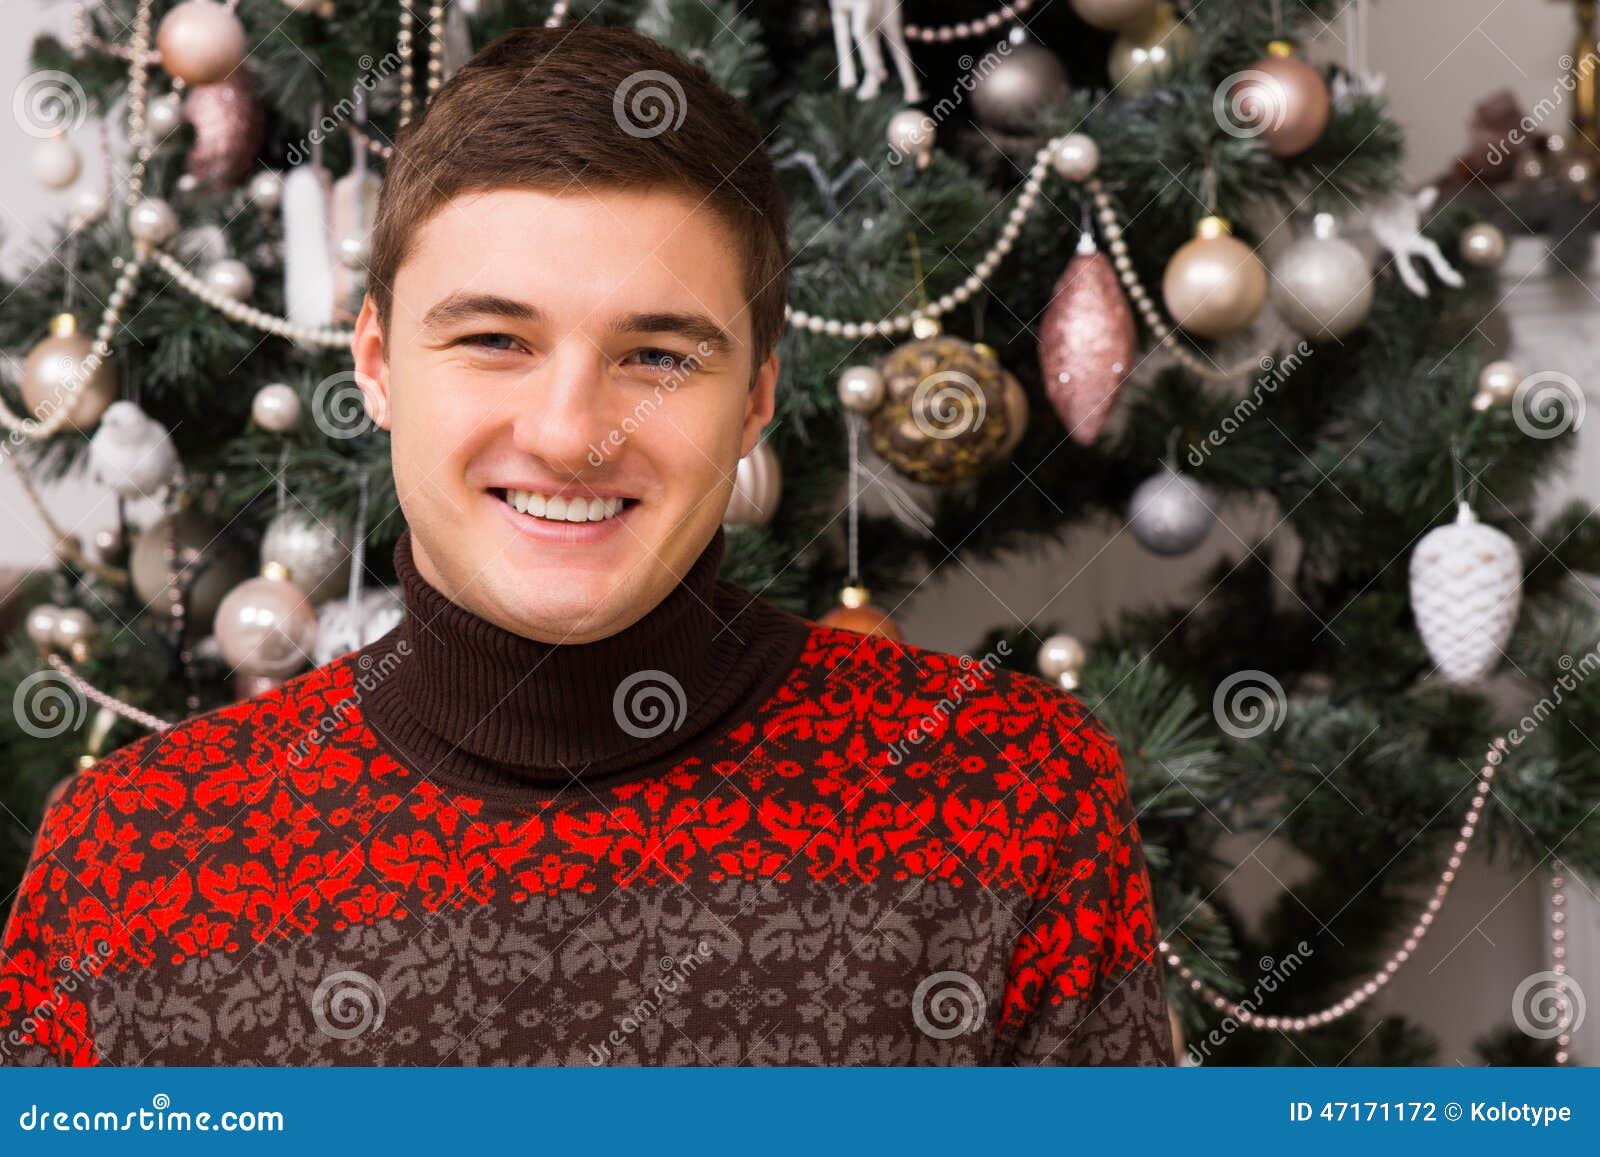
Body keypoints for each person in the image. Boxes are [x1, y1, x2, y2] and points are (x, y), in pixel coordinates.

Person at [0, 24, 1171, 1066]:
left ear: (757, 396)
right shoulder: (136, 858)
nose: (569, 434)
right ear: (375, 365)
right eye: (495, 339)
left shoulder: (1006, 792)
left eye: (659, 356)